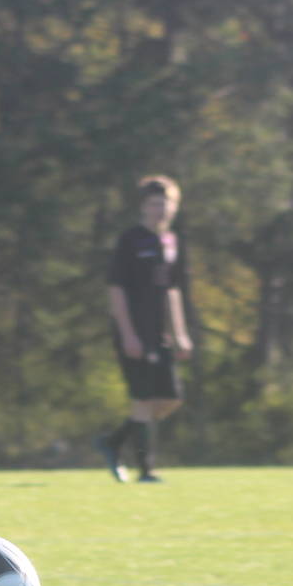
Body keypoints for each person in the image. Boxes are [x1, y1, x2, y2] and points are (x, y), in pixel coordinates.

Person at [98, 175, 194, 483]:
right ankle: (146, 470)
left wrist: (179, 333)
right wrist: (128, 334)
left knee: (169, 399)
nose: (161, 209)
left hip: (160, 334)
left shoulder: (170, 241)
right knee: (142, 400)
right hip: (135, 332)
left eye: (166, 203)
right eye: (154, 203)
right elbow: (116, 289)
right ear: (143, 207)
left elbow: (172, 290)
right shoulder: (130, 240)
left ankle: (113, 442)